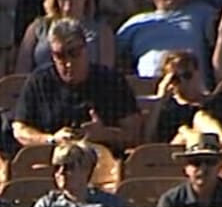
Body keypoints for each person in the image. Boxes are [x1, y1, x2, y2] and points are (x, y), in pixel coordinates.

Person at [12, 18, 141, 154]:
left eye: (74, 53)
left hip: (102, 161)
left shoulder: (112, 81)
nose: (68, 63)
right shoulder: (39, 81)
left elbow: (134, 132)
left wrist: (104, 134)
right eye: (60, 56)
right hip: (52, 161)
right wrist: (51, 140)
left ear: (85, 49)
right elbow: (20, 129)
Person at [116, 0, 217, 81]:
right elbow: (114, 55)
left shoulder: (202, 13)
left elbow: (218, 39)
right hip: (149, 90)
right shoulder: (137, 22)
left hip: (190, 88)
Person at [15, 0, 115, 72]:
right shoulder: (37, 28)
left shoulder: (102, 31)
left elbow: (106, 74)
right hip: (42, 86)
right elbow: (21, 72)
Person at [142, 50, 222, 147]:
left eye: (187, 75)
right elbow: (149, 141)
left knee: (200, 118)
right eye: (176, 79)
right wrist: (160, 99)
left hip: (221, 156)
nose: (183, 82)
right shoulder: (169, 110)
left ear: (197, 74)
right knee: (186, 130)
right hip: (181, 156)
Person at [157, 132, 222, 207]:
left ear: (220, 166)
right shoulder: (171, 201)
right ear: (186, 168)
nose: (202, 169)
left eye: (210, 162)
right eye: (196, 162)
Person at [32, 141, 124, 207]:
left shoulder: (110, 204)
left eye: (69, 167)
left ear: (86, 169)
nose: (61, 172)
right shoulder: (47, 205)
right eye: (57, 167)